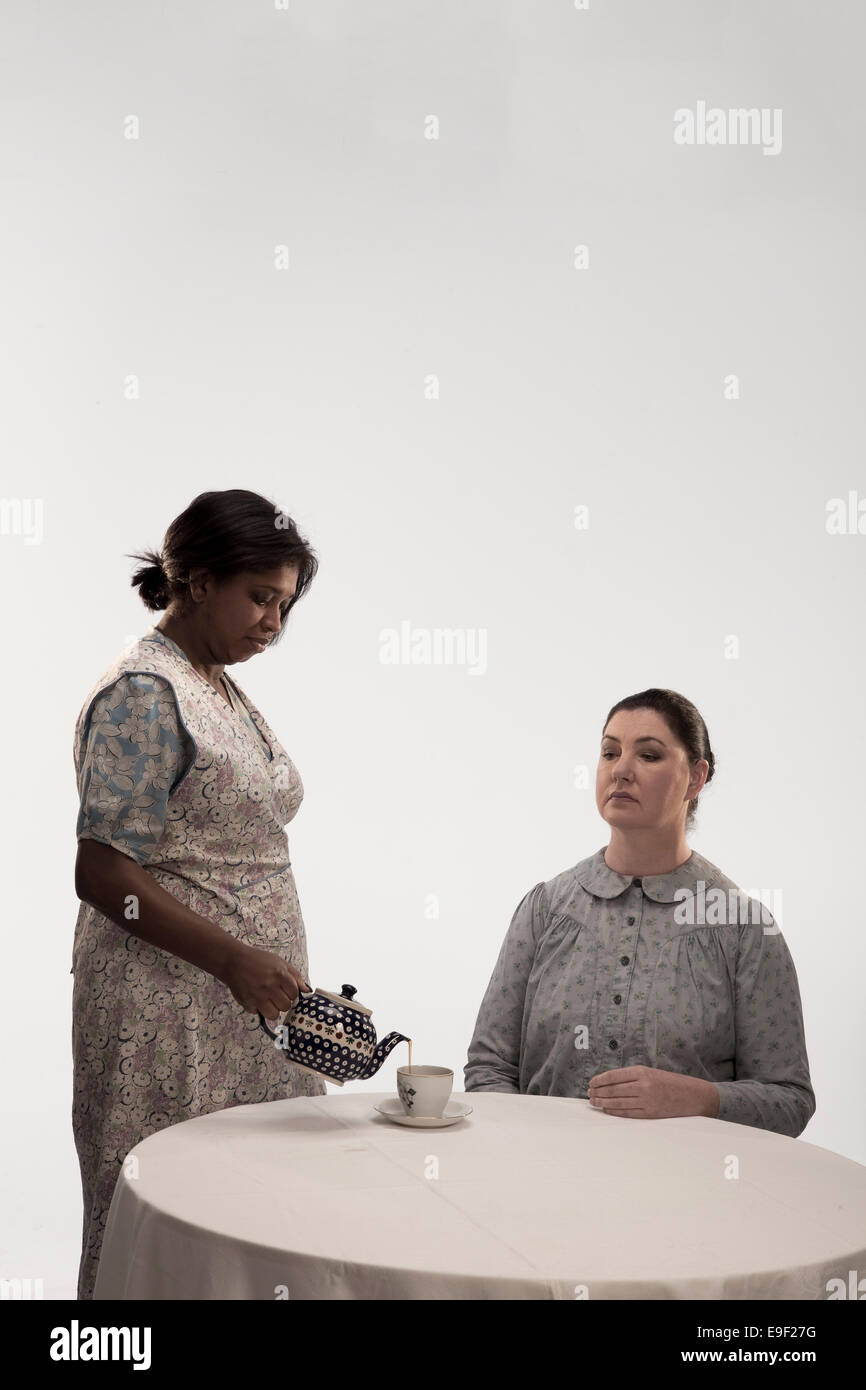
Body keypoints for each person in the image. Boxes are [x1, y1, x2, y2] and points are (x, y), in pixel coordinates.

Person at [71, 488, 326, 1300]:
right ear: (199, 581)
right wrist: (232, 959)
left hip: (240, 1008)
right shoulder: (145, 694)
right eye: (259, 598)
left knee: (258, 1215)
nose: (273, 622)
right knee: (169, 1220)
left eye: (285, 605)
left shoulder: (214, 682)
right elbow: (102, 873)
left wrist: (253, 968)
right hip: (164, 1011)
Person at [464, 688, 815, 1138]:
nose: (621, 770)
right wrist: (529, 1148)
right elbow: (489, 1068)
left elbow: (790, 1101)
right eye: (610, 753)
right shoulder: (545, 909)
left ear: (696, 778)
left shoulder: (743, 928)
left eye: (648, 755)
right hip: (545, 1175)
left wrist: (701, 1098)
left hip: (689, 1180)